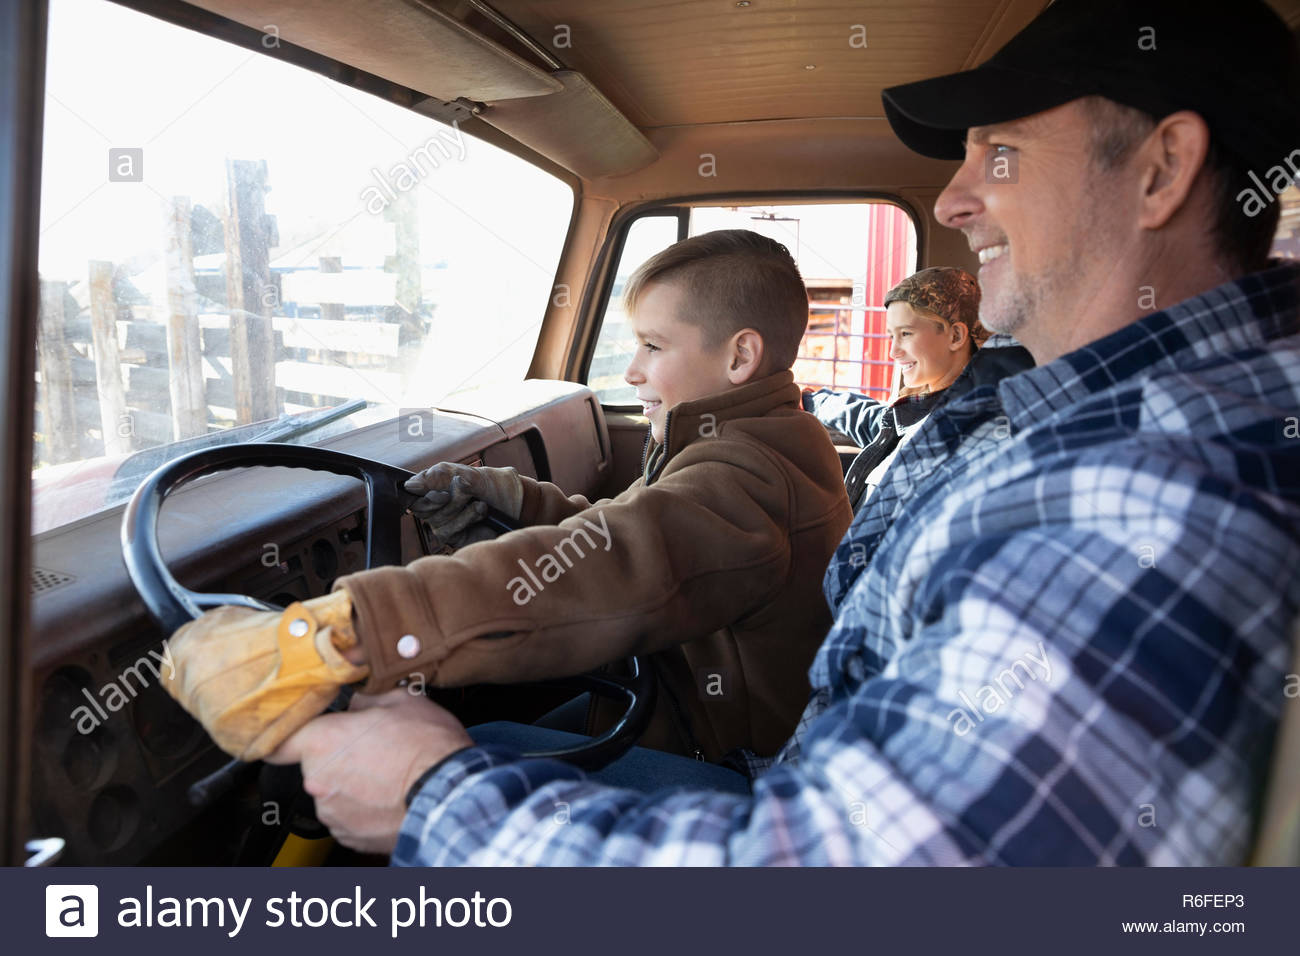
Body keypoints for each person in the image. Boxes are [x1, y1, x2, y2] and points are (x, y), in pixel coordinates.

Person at [209, 0, 1300, 864]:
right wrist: (507, 505)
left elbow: (855, 882)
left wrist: (411, 753)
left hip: (756, 770)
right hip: (792, 753)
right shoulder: (1065, 411)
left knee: (471, 749)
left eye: (996, 153)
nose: (958, 200)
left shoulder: (1146, 492)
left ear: (1159, 170)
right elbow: (628, 529)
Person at [162, 229, 852, 775]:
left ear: (740, 358)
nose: (633, 370)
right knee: (481, 738)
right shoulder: (742, 435)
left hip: (733, 769)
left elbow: (621, 563)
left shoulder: (749, 470)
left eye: (652, 345)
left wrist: (341, 634)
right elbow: (617, 530)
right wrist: (505, 499)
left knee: (454, 761)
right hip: (686, 709)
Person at [803, 266, 1033, 507]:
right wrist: (813, 402)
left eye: (906, 334)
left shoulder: (962, 432)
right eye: (892, 336)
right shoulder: (925, 407)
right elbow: (876, 420)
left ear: (955, 336)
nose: (893, 351)